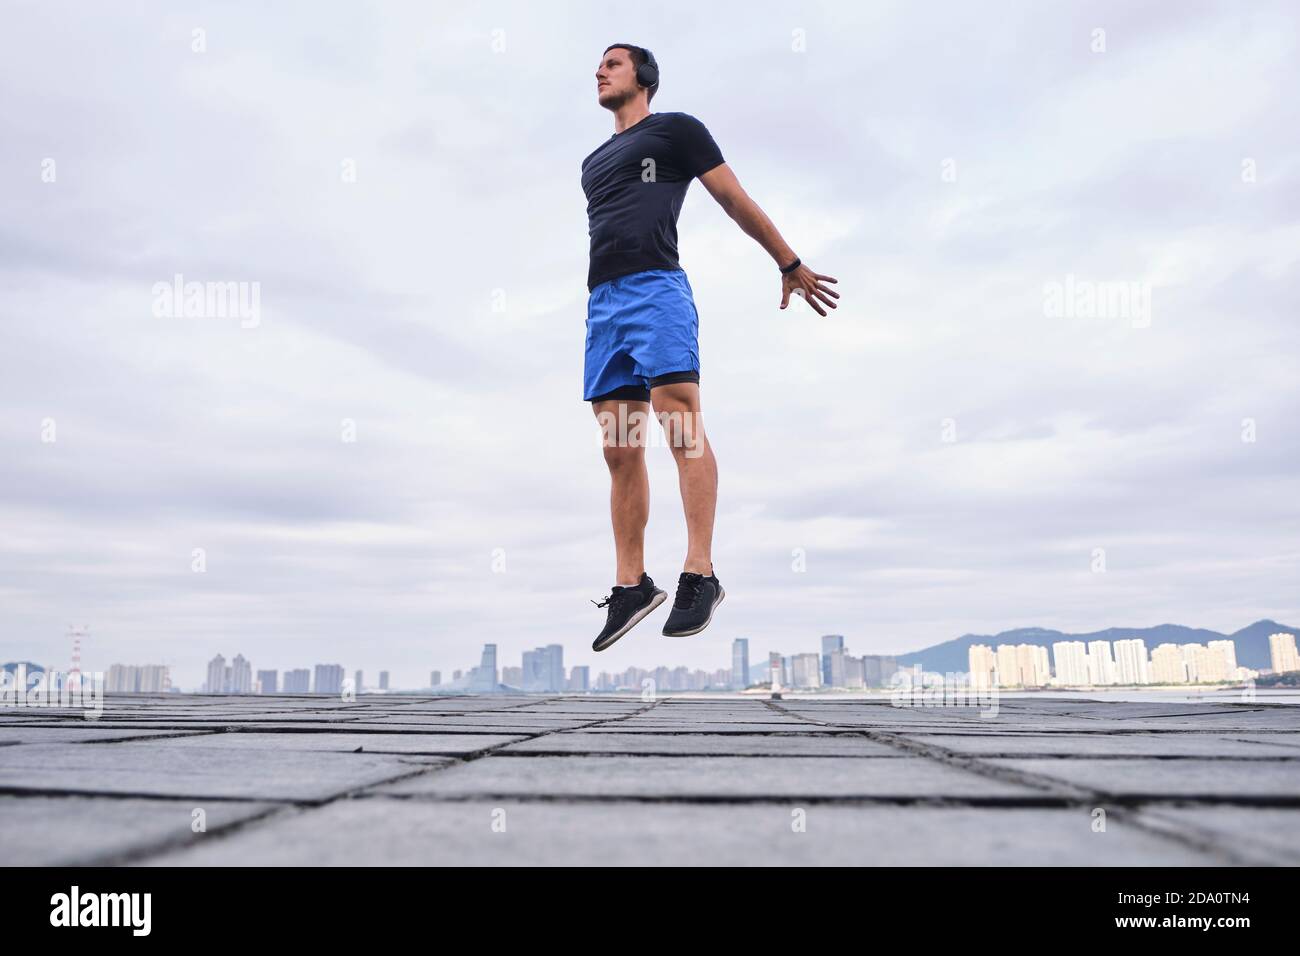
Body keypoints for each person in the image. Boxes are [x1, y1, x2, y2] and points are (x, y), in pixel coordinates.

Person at [584, 43, 839, 652]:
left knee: (681, 427)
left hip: (656, 293)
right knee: (620, 449)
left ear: (643, 79)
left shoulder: (676, 131)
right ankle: (631, 586)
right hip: (603, 305)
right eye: (599, 65)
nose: (600, 71)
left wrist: (789, 261)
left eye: (612, 63)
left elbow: (732, 198)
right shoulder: (593, 162)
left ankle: (699, 572)